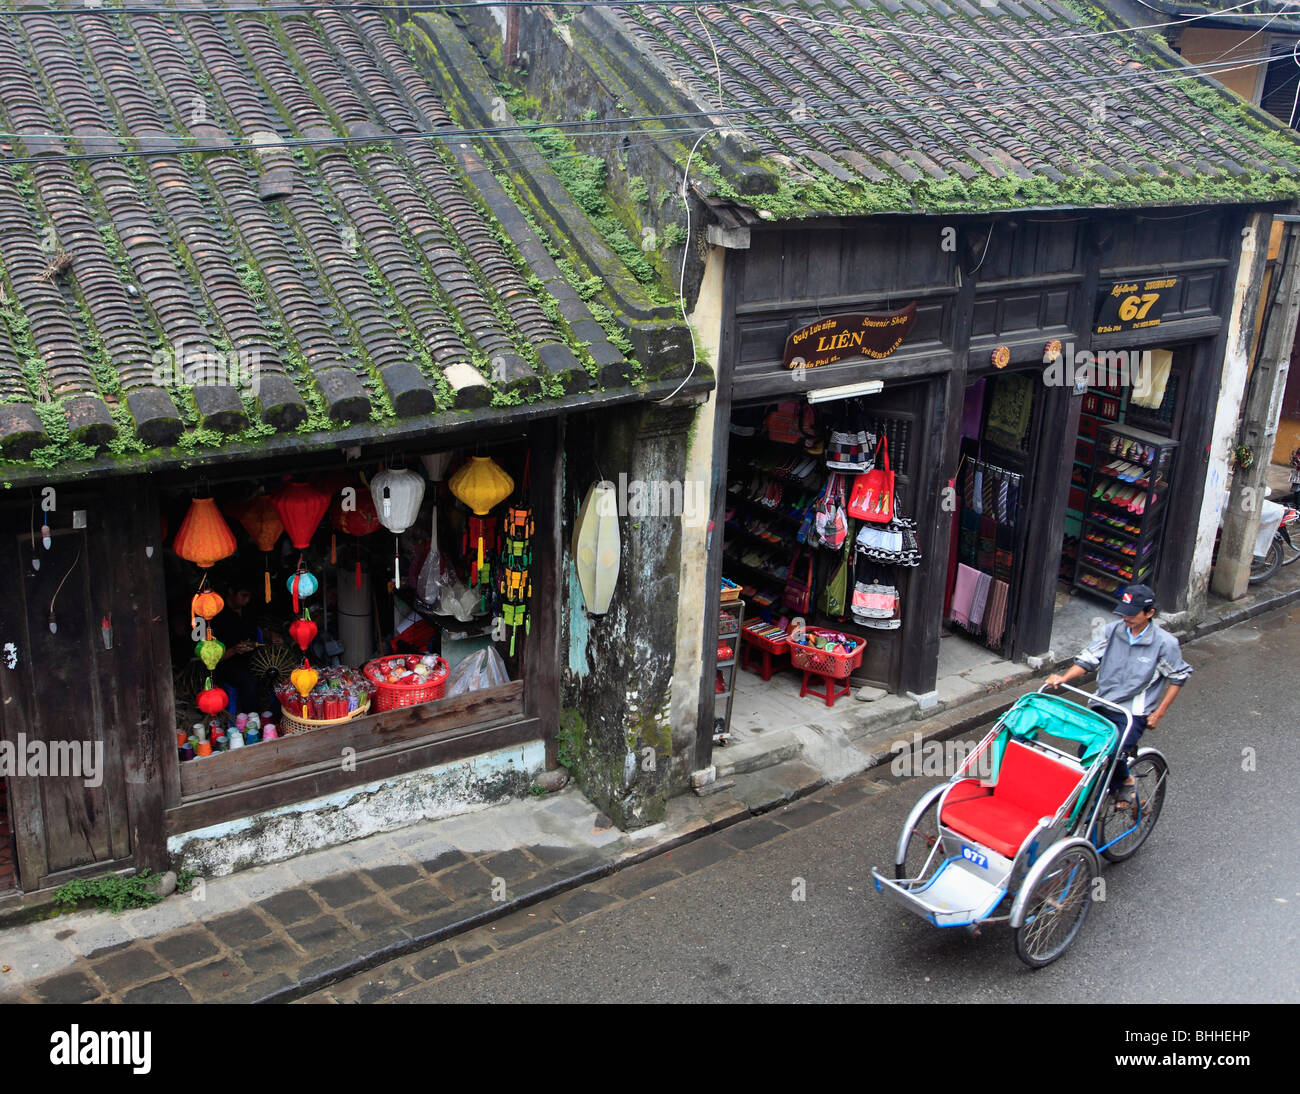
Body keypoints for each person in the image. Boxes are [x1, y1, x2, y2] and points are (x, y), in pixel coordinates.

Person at [1044, 584, 1191, 810]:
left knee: (1111, 751)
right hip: (1104, 703)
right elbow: (1089, 660)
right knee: (1087, 752)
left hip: (1133, 712)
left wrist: (1159, 713)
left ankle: (1124, 784)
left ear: (1149, 613)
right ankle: (1124, 785)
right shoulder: (1112, 631)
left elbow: (1178, 677)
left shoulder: (1164, 643)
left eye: (1132, 614)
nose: (1126, 618)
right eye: (1124, 612)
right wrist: (1064, 678)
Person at [211, 575, 262, 715]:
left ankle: (270, 714)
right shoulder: (217, 616)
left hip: (251, 660)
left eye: (249, 596)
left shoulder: (248, 611)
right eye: (243, 595)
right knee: (249, 680)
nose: (247, 600)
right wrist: (234, 650)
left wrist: (269, 636)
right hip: (229, 665)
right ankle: (251, 720)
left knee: (272, 671)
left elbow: (256, 633)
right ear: (231, 591)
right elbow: (215, 659)